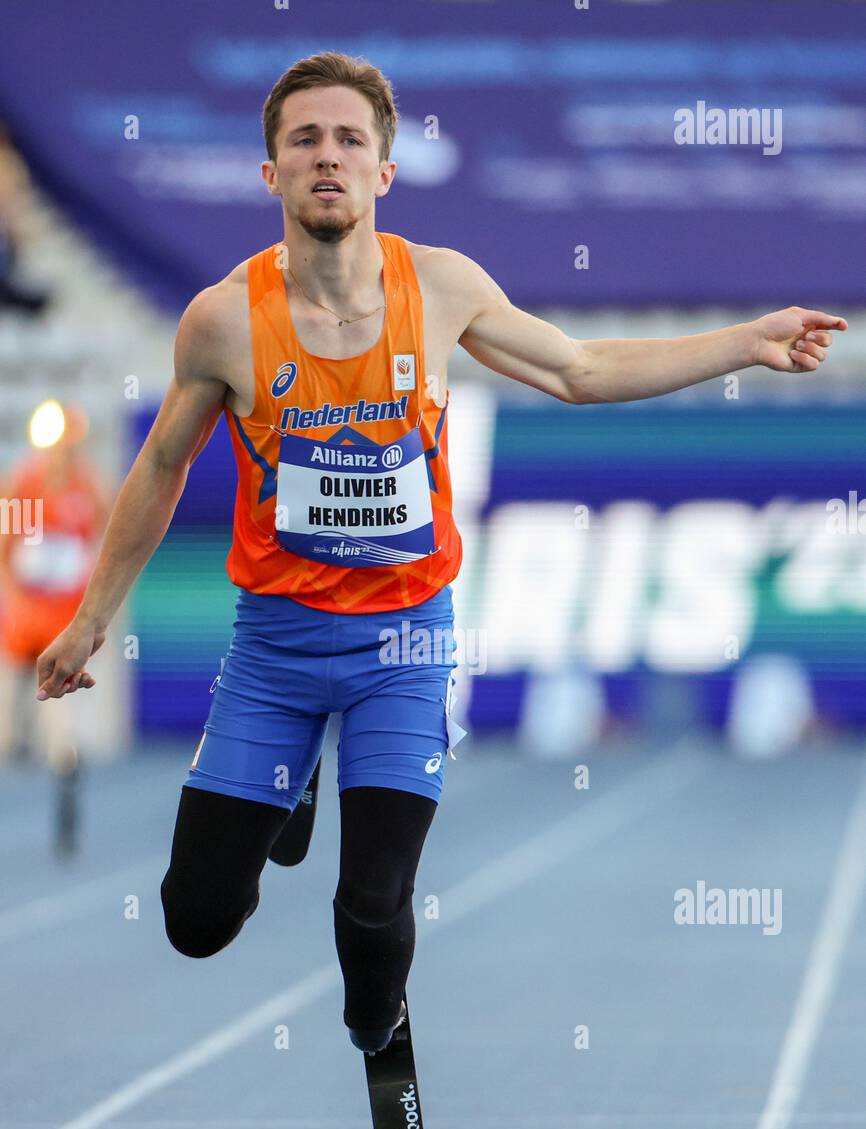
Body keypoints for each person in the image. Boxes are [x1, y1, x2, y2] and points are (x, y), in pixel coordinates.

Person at [34, 52, 846, 1049]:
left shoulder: (443, 287)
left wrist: (744, 341)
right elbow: (159, 468)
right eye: (303, 140)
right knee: (194, 921)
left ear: (383, 172)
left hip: (403, 647)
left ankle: (378, 1021)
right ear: (270, 174)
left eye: (348, 140)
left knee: (371, 911)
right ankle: (291, 789)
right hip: (275, 650)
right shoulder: (221, 323)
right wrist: (90, 620)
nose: (325, 157)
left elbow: (582, 369)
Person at [0, 402, 110, 852]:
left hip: (65, 624)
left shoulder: (87, 489)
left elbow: (109, 538)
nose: (62, 453)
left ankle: (66, 774)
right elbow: (7, 548)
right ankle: (20, 743)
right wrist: (15, 598)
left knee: (61, 720)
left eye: (69, 444)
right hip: (26, 621)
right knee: (12, 720)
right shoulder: (26, 486)